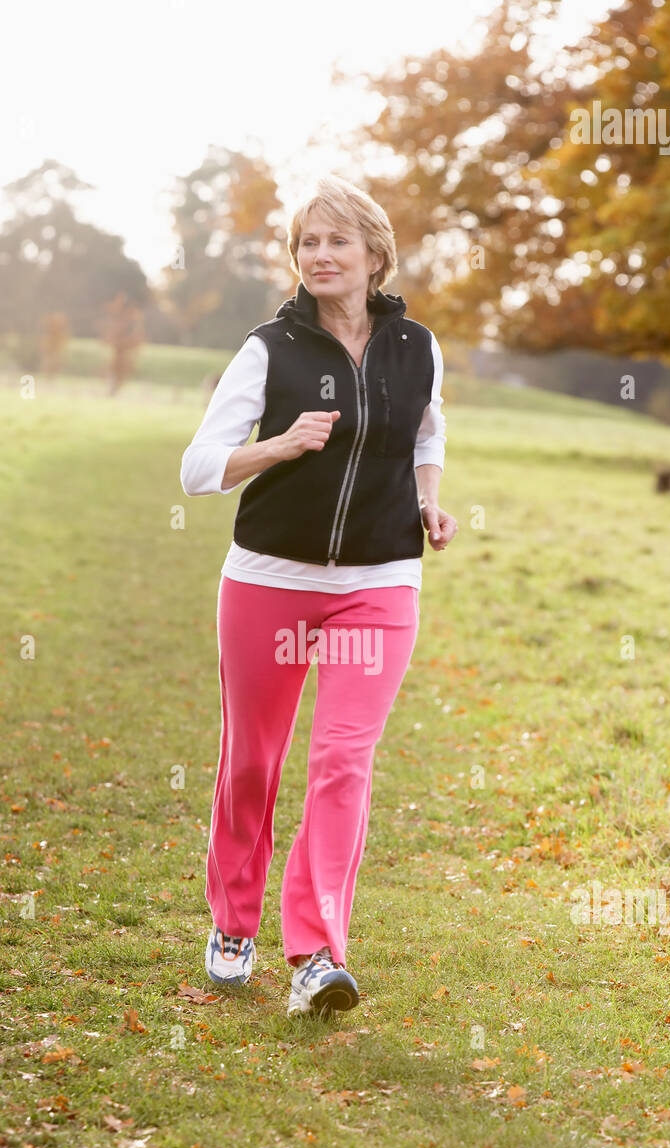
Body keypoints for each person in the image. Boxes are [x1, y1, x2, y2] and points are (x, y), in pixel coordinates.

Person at [180, 174, 457, 1019]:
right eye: (308, 242)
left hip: (378, 584)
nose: (322, 255)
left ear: (375, 255)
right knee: (254, 761)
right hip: (270, 581)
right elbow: (197, 471)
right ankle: (234, 922)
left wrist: (428, 498)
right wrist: (280, 447)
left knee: (342, 763)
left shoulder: (417, 346)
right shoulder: (270, 348)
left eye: (338, 241)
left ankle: (317, 951)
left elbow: (427, 427)